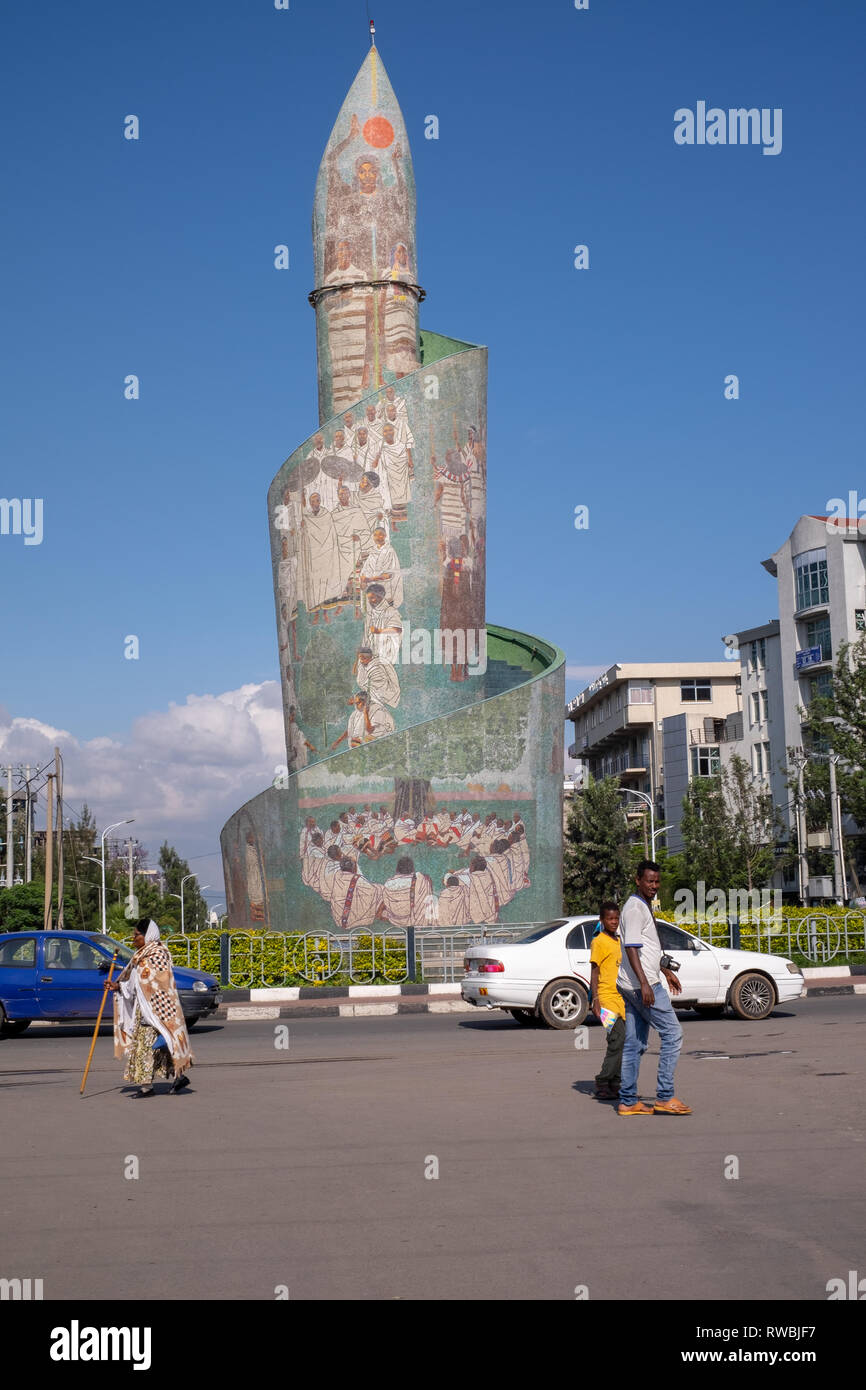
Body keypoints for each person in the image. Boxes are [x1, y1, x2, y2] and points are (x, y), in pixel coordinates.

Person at [616, 861, 691, 1117]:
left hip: (634, 983)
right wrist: (646, 984)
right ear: (637, 880)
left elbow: (648, 948)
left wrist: (666, 970)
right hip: (641, 985)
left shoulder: (642, 906)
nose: (654, 886)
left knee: (635, 1043)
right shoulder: (635, 908)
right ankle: (665, 1096)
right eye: (649, 881)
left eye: (657, 882)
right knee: (673, 1034)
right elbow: (632, 948)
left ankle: (627, 1100)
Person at [109, 918, 193, 1098]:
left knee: (147, 1047)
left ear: (147, 935)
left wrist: (135, 984)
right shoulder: (140, 955)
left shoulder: (157, 954)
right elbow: (134, 981)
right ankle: (179, 1077)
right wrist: (118, 986)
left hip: (160, 1008)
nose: (134, 938)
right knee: (162, 1045)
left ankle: (147, 1087)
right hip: (144, 1008)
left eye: (137, 934)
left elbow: (160, 981)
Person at [590, 902, 625, 1100]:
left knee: (623, 1041)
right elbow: (594, 972)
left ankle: (615, 1083)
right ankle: (603, 1081)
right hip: (605, 999)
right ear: (602, 920)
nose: (614, 922)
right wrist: (595, 999)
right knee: (616, 1038)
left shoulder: (620, 940)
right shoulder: (599, 941)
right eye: (610, 919)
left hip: (622, 999)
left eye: (616, 918)